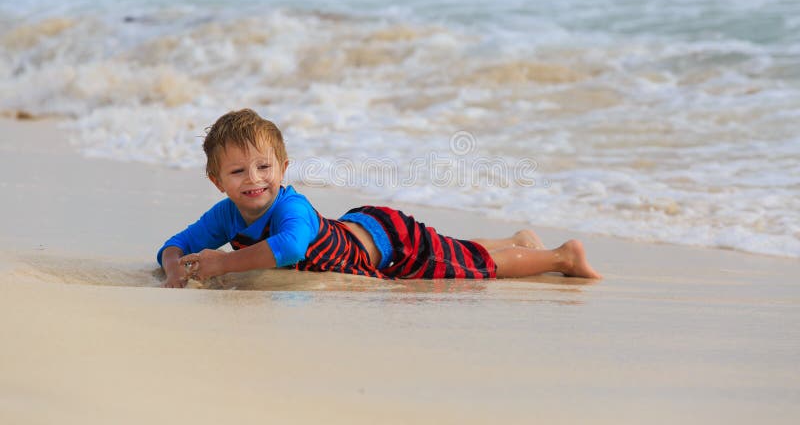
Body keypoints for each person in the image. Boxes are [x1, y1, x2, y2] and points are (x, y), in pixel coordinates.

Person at [159, 109, 602, 288]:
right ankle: (518, 239)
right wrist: (176, 267)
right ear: (217, 181)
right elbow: (173, 244)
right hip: (365, 229)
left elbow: (290, 248)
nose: (254, 180)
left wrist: (218, 263)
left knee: (473, 268)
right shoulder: (226, 214)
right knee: (454, 248)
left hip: (390, 243)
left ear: (284, 169)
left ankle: (559, 256)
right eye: (238, 172)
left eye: (264, 167)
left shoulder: (290, 208)